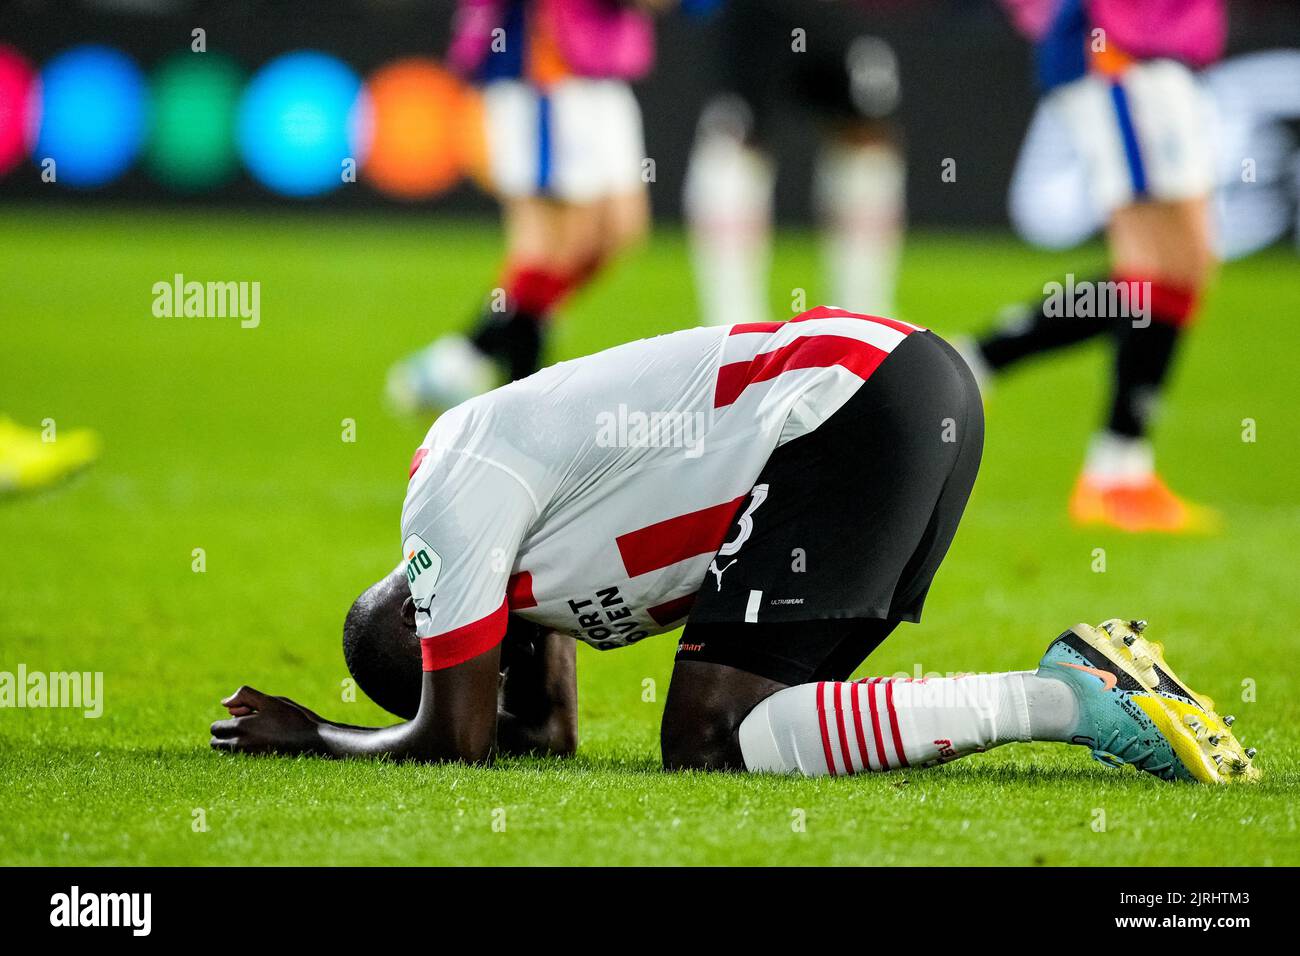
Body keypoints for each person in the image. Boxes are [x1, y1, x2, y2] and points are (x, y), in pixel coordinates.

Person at [212, 307, 1256, 783]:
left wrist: (314, 737)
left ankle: (1071, 693)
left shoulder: (446, 489)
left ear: (419, 607)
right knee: (765, 732)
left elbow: (456, 740)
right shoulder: (535, 584)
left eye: (468, 653)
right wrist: (502, 712)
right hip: (900, 399)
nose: (523, 658)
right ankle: (1083, 692)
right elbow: (536, 738)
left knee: (709, 736)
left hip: (851, 406)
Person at [960, 0, 1227, 533]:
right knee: (1176, 261)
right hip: (1126, 52)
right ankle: (1116, 472)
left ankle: (986, 362)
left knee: (1157, 269)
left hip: (1138, 56)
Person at [386, 0, 662, 412]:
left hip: (597, 66)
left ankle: (464, 354)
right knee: (552, 242)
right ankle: (520, 399)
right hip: (544, 70)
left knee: (617, 232)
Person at [684, 0, 906, 326]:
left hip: (844, 15)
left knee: (869, 137)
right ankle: (733, 326)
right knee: (734, 137)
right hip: (758, 18)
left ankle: (863, 316)